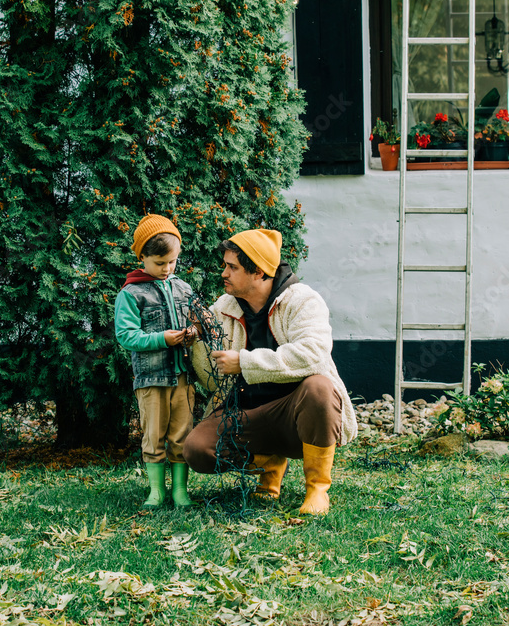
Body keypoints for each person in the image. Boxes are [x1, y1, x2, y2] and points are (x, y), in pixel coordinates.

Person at [183, 229, 357, 515]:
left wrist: (245, 361)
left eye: (232, 267)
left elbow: (314, 353)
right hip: (247, 412)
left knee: (320, 389)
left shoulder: (302, 301)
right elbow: (211, 378)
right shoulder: (224, 306)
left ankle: (317, 489)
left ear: (259, 272)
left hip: (294, 414)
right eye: (225, 265)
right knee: (196, 451)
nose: (223, 273)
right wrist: (198, 338)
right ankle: (270, 464)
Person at [114, 214, 198, 509]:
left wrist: (194, 331)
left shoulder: (183, 288)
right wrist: (163, 339)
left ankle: (179, 491)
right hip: (151, 380)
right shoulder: (131, 293)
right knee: (154, 436)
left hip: (182, 377)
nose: (167, 269)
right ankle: (156, 491)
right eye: (160, 263)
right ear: (142, 257)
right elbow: (126, 336)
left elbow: (198, 320)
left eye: (172, 262)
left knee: (181, 435)